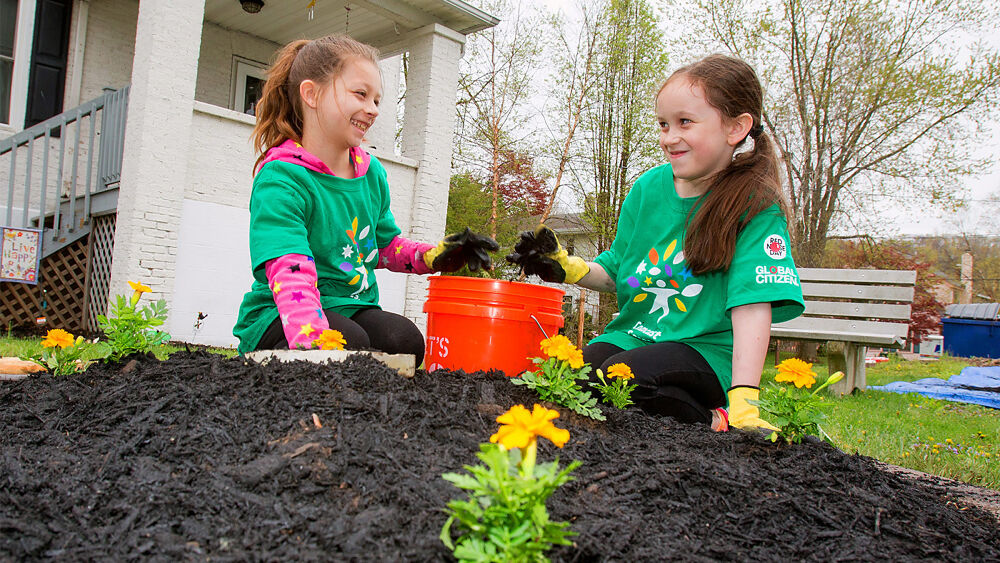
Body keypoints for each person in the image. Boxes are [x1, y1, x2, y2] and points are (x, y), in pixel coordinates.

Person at [508, 54, 804, 431]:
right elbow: (620, 270)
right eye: (664, 124)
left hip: (707, 352)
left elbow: (752, 305)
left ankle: (718, 420)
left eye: (685, 122)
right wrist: (566, 266)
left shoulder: (755, 206)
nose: (669, 137)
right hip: (636, 338)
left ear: (736, 127)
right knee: (576, 377)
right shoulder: (647, 189)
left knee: (627, 378)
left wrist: (745, 397)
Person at [234, 35, 497, 357]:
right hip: (281, 312)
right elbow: (288, 266)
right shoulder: (283, 177)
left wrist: (433, 257)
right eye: (360, 94)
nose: (372, 110)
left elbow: (383, 247)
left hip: (349, 306)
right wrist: (313, 338)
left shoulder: (371, 174)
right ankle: (275, 372)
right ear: (311, 94)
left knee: (404, 341)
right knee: (349, 340)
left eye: (376, 100)